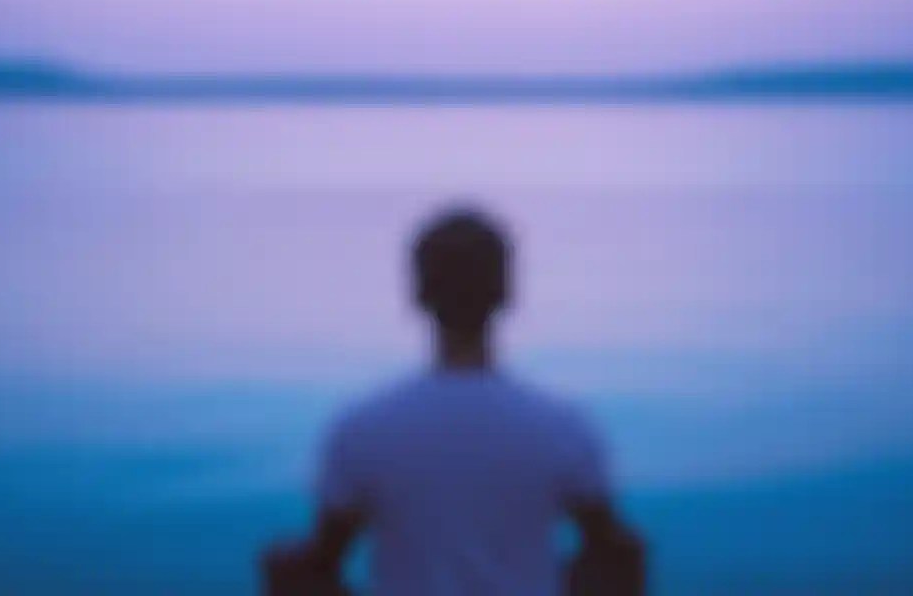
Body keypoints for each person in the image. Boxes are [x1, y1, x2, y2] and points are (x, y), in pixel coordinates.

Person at [263, 209, 644, 596]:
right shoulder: (563, 427)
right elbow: (611, 548)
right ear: (507, 293)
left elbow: (326, 558)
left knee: (290, 569)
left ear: (418, 295)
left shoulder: (363, 428)